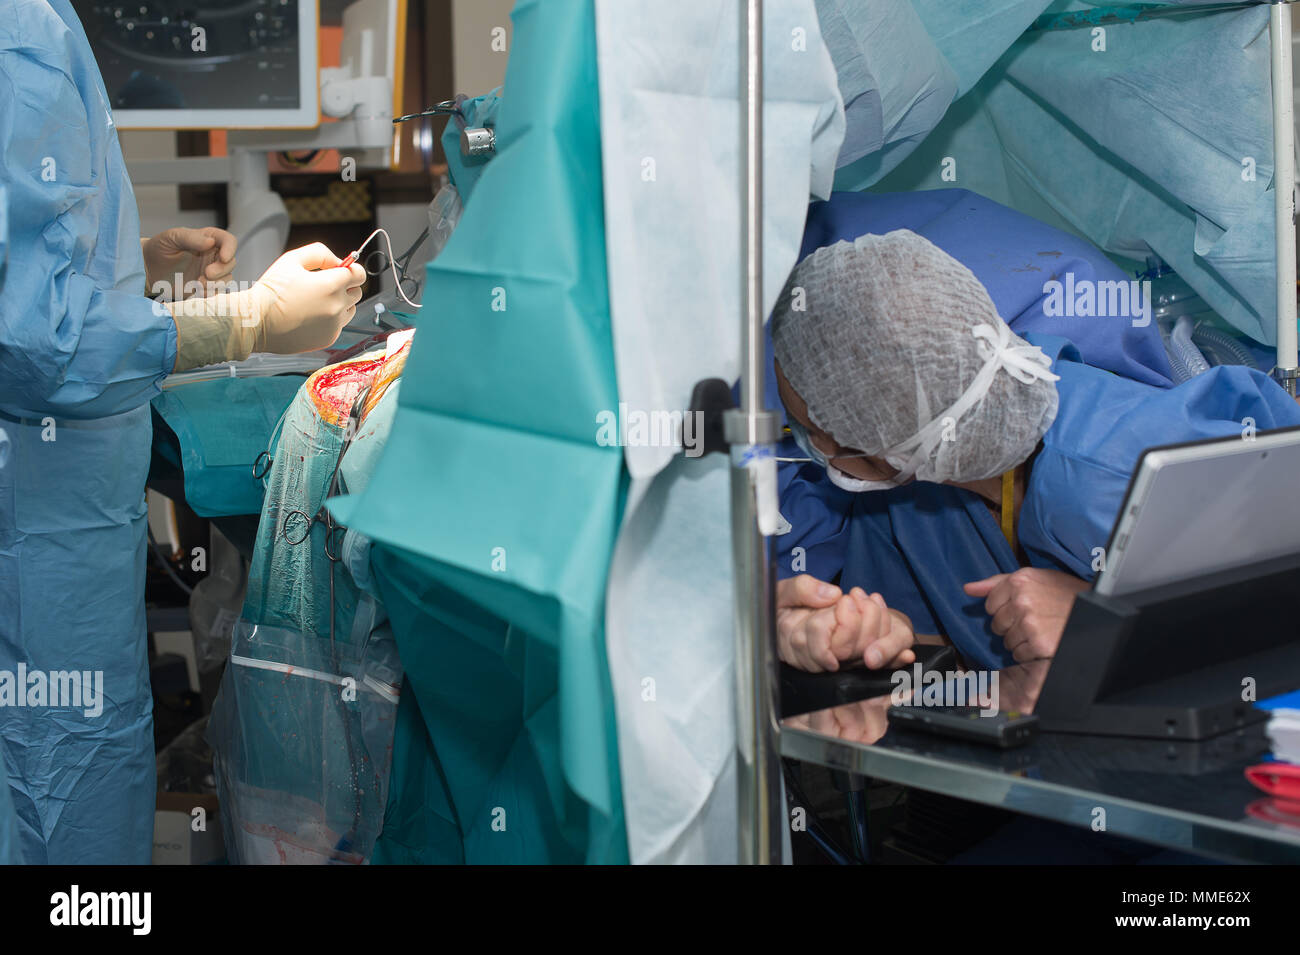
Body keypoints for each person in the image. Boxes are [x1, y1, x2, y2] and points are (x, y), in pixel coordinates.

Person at [0, 0, 366, 864]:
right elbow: (32, 341)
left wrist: (127, 266)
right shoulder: (25, 36)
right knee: (61, 808)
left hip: (49, 532)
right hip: (41, 551)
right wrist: (247, 322)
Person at [769, 229, 1300, 673]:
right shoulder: (909, 507)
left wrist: (1106, 627)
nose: (811, 446)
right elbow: (945, 654)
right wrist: (884, 639)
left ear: (877, 442)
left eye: (809, 424)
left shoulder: (1119, 466)